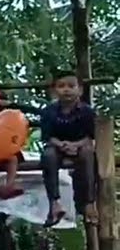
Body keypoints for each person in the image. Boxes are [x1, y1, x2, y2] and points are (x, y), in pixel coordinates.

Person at [41, 70, 96, 227]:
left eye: (71, 86)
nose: (66, 89)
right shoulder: (49, 111)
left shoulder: (87, 111)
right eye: (61, 86)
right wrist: (62, 145)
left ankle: (89, 203)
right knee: (48, 155)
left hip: (81, 146)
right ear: (54, 90)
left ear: (80, 89)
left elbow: (91, 136)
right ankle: (54, 204)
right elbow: (47, 137)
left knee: (88, 154)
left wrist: (75, 145)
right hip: (58, 147)